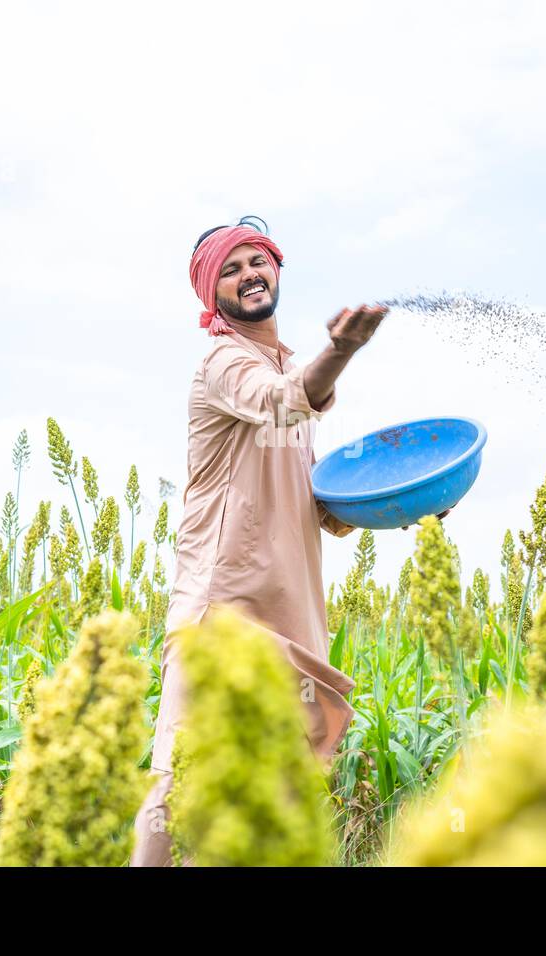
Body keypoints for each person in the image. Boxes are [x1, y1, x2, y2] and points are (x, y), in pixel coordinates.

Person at [129, 217, 387, 866]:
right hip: (223, 607)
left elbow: (320, 502)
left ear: (277, 270)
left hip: (290, 617)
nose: (249, 275)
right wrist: (343, 350)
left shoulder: (286, 370)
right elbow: (281, 402)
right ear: (210, 294)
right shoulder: (224, 362)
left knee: (269, 786)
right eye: (231, 268)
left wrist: (399, 502)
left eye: (258, 262)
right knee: (180, 768)